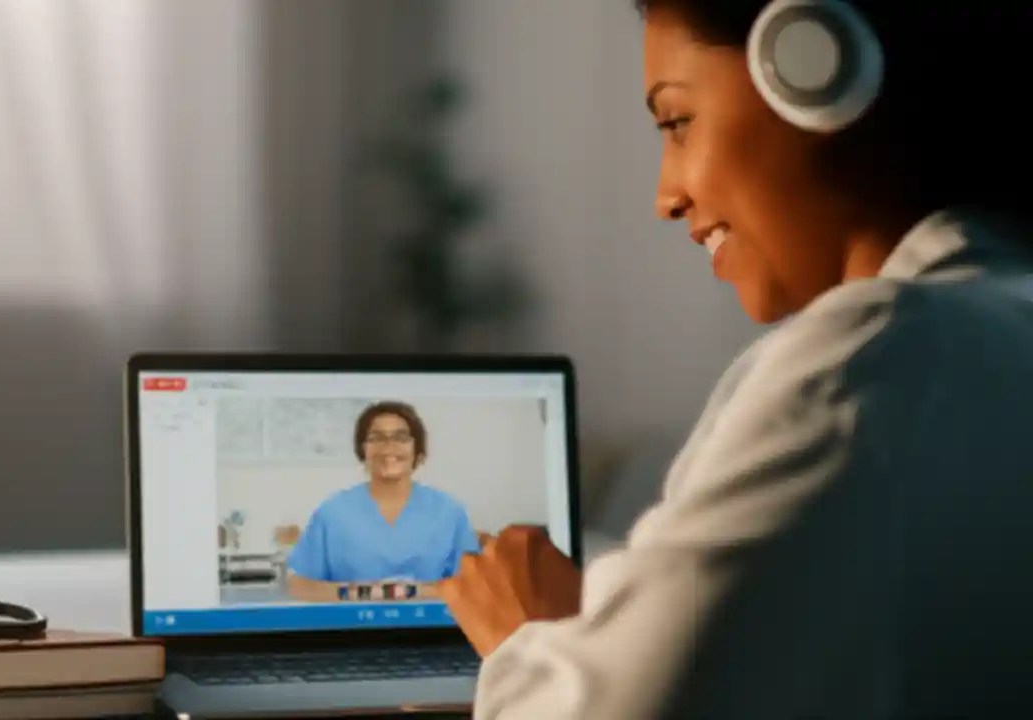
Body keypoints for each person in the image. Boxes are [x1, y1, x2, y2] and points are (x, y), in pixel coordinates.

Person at [439, 1, 1033, 717]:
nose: (666, 196)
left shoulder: (871, 360)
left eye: (677, 122)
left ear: (816, 67)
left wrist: (529, 639)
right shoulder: (1001, 318)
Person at [286, 400, 480, 602]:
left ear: (418, 451)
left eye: (401, 437)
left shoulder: (448, 512)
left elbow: (473, 585)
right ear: (362, 450)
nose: (388, 447)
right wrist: (352, 593)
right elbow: (300, 585)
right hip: (350, 630)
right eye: (376, 438)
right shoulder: (333, 512)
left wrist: (415, 593)